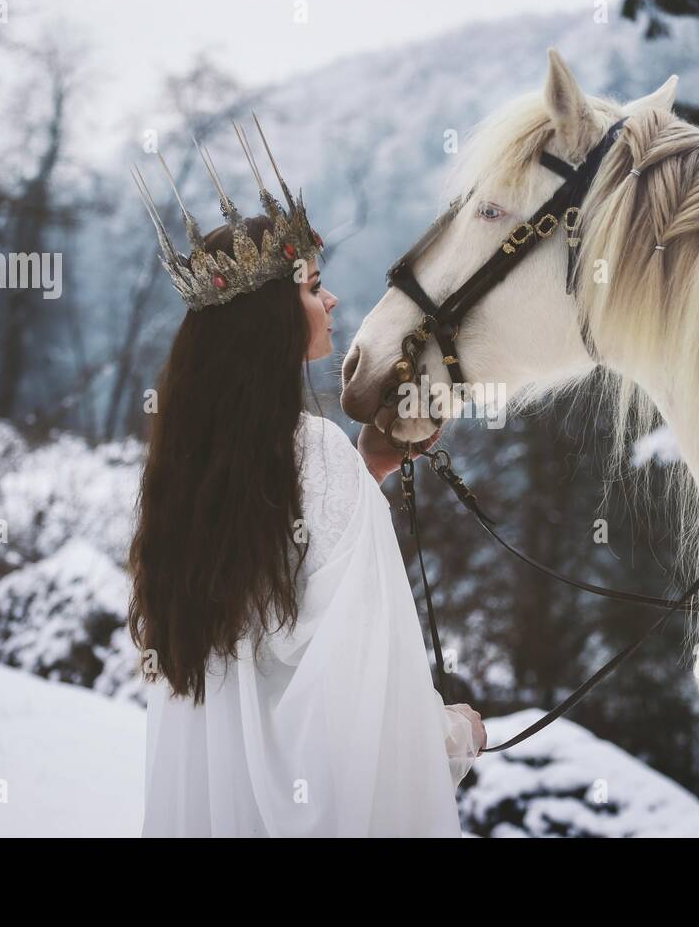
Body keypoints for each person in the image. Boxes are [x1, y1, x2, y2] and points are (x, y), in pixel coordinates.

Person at [128, 122, 484, 837]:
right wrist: (456, 735)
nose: (333, 304)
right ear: (268, 320)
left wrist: (369, 468)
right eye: (315, 287)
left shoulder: (189, 470)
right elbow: (350, 699)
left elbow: (271, 615)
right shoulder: (313, 454)